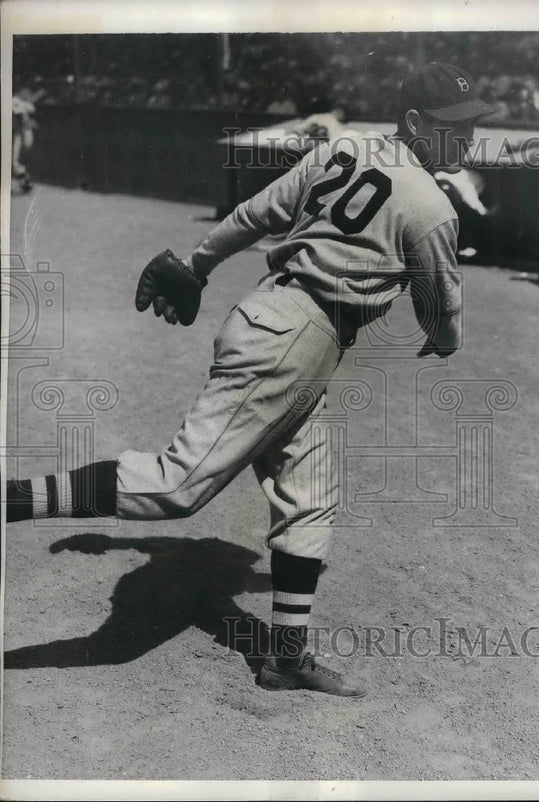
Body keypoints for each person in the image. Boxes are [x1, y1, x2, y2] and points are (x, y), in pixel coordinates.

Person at [6, 63, 495, 697]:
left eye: (471, 125)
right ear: (412, 124)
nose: (467, 139)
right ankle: (12, 498)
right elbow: (443, 310)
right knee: (177, 486)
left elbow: (259, 210)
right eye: (452, 127)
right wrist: (445, 340)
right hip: (292, 344)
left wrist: (197, 263)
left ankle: (285, 658)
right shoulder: (432, 206)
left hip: (279, 327)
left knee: (308, 496)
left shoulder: (347, 148)